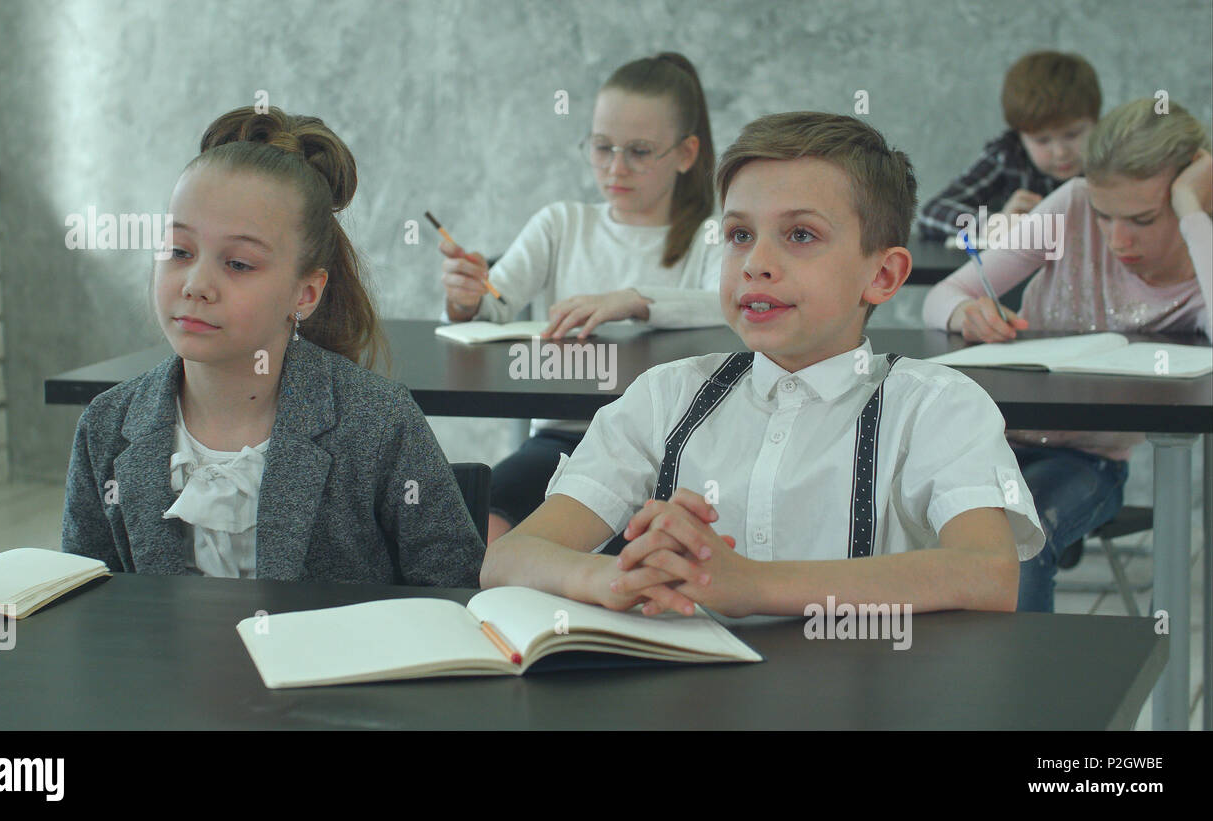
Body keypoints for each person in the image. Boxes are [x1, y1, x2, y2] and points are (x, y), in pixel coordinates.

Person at [480, 112, 1044, 618]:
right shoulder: (664, 397)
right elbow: (507, 561)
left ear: (884, 275)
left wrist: (754, 585)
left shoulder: (937, 405)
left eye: (801, 235)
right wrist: (612, 577)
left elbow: (988, 574)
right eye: (739, 235)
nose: (756, 263)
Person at [62, 106, 484, 585]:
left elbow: (455, 593)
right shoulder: (105, 426)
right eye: (179, 251)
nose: (196, 284)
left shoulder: (378, 422)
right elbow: (85, 607)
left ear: (305, 293)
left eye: (238, 264)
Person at [923, 98, 1212, 611]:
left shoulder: (1202, 252)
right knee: (893, 526)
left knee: (1017, 541)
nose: (1118, 240)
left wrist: (1193, 209)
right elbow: (942, 296)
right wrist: (963, 315)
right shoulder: (1072, 204)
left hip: (1086, 462)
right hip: (985, 442)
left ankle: (1018, 692)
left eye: (1144, 219)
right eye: (1105, 216)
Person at [440, 52, 725, 544]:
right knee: (474, 532)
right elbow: (491, 310)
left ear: (685, 153)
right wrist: (466, 298)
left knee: (640, 556)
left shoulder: (714, 236)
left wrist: (633, 300)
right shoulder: (561, 224)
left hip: (670, 451)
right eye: (601, 147)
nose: (616, 167)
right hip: (562, 441)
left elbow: (729, 305)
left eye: (639, 151)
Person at [917, 51, 1100, 241]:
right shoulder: (1008, 155)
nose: (1061, 152)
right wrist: (995, 225)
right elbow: (932, 212)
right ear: (1020, 134)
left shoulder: (1116, 157)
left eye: (1072, 135)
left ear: (1096, 122)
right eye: (1042, 140)